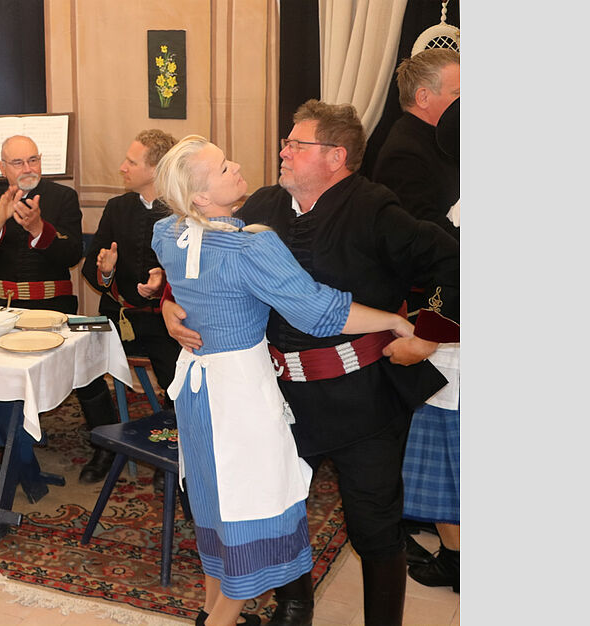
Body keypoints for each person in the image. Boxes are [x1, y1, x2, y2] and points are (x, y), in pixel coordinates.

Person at [161, 101, 459, 626]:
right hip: (278, 397)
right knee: (280, 509)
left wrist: (429, 337)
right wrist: (169, 304)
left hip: (362, 397)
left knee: (375, 527)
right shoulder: (265, 204)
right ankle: (293, 608)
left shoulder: (376, 209)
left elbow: (452, 261)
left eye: (296, 145)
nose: (282, 150)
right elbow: (199, 251)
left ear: (335, 156)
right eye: (286, 142)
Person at [0, 135, 119, 483]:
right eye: (17, 163)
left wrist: (37, 228)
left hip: (53, 304)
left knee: (84, 365)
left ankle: (106, 442)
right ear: (2, 168)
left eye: (33, 160)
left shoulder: (63, 197)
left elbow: (72, 256)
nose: (27, 169)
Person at [375, 53, 462, 591]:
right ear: (425, 97)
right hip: (432, 306)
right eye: (458, 93)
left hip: (450, 311)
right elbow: (428, 247)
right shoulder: (407, 150)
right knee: (438, 440)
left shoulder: (442, 140)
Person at [81, 129, 181, 403]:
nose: (122, 168)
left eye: (132, 162)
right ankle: (101, 432)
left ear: (156, 169)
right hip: (116, 316)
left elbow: (197, 274)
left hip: (164, 322)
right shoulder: (116, 207)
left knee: (178, 383)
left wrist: (164, 286)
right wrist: (105, 271)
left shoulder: (182, 211)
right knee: (77, 360)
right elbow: (90, 268)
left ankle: (176, 437)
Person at [372, 48, 460, 240]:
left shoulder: (443, 136)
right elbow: (426, 234)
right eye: (458, 94)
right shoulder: (403, 156)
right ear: (423, 98)